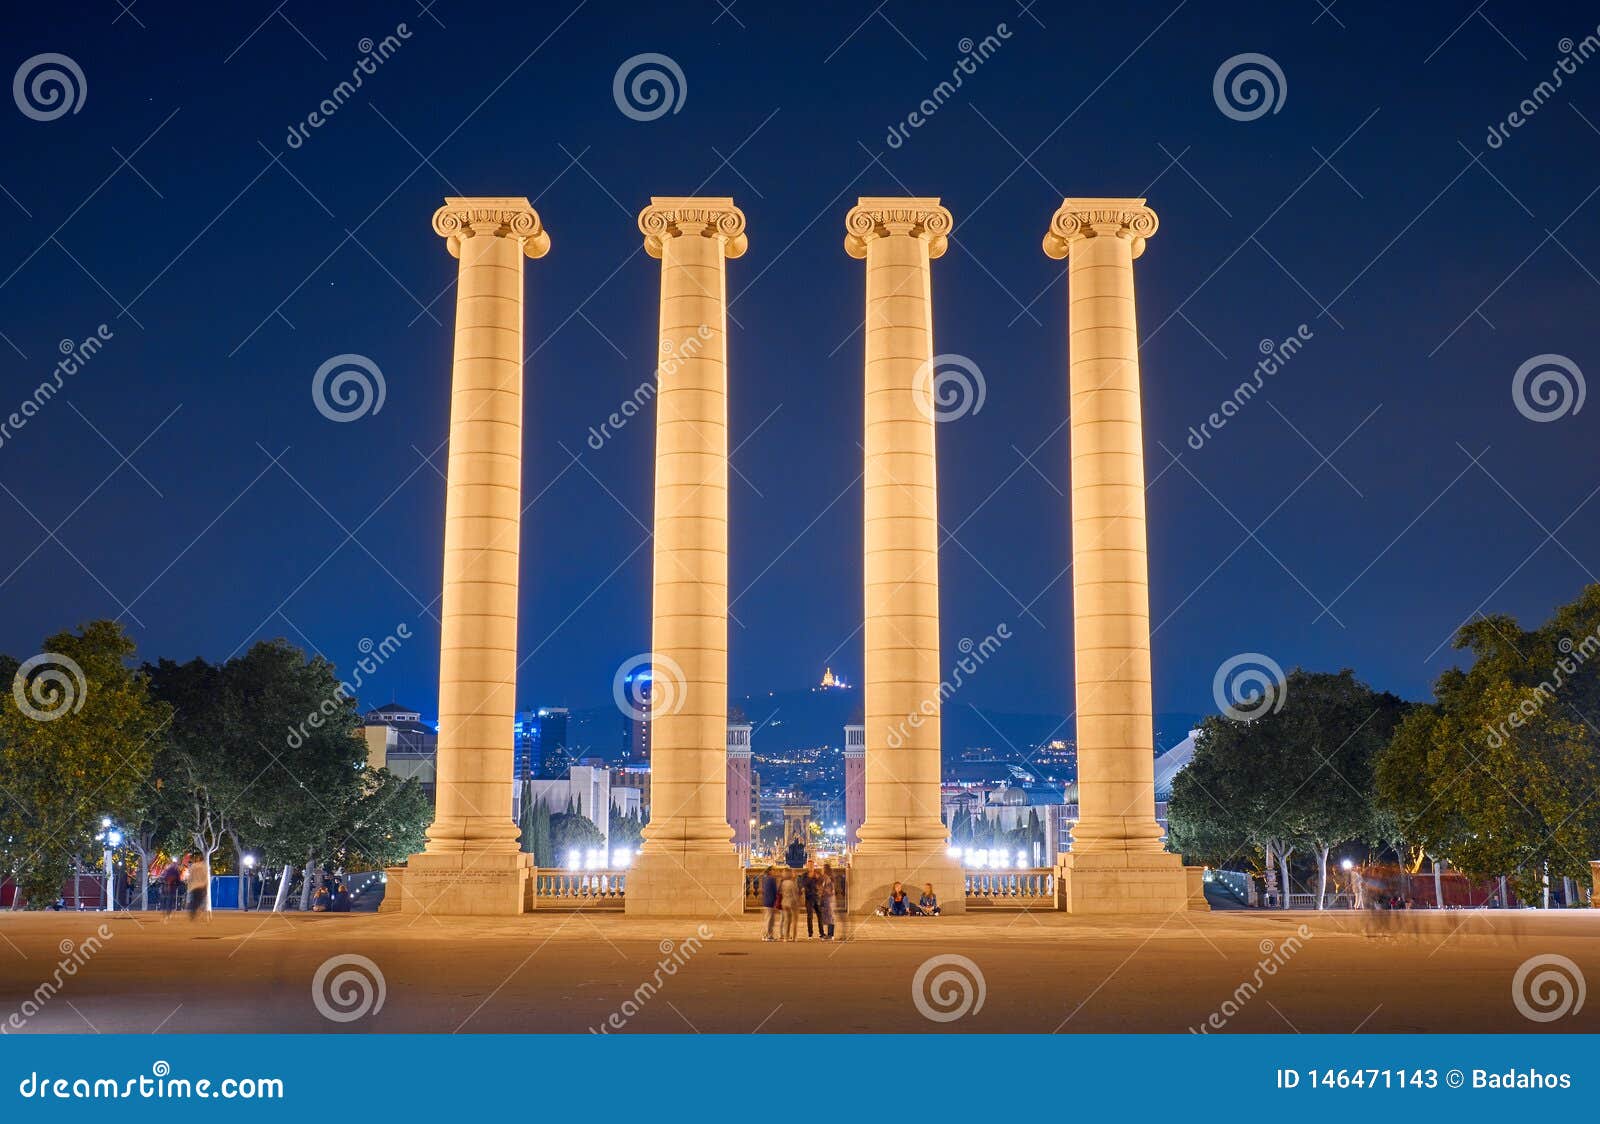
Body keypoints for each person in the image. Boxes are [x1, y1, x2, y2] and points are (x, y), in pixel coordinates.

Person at [802, 860, 822, 939]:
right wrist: (811, 878)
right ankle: (810, 934)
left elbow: (821, 884)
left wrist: (817, 879)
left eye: (812, 865)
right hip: (809, 898)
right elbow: (804, 884)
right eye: (809, 865)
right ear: (807, 866)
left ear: (814, 866)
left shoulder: (817, 874)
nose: (810, 867)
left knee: (820, 916)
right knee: (809, 916)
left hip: (816, 897)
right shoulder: (804, 875)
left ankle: (821, 933)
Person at [779, 867, 800, 941]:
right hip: (792, 903)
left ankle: (786, 937)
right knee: (795, 921)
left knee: (786, 921)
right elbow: (795, 894)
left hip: (784, 902)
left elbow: (781, 892)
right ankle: (794, 937)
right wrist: (797, 903)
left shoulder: (783, 882)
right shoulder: (792, 883)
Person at [759, 866, 780, 941]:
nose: (775, 872)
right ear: (770, 871)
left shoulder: (764, 879)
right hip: (770, 902)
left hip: (766, 901)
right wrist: (776, 901)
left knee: (767, 919)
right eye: (774, 870)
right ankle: (768, 935)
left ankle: (766, 935)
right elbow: (775, 892)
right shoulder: (772, 879)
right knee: (770, 920)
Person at [185, 855, 209, 919]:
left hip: (194, 886)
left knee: (195, 899)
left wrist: (189, 886)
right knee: (200, 900)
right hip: (201, 886)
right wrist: (206, 886)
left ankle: (192, 911)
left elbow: (190, 877)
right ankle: (194, 911)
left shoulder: (193, 866)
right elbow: (206, 877)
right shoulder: (204, 866)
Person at [818, 863, 837, 940]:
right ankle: (829, 934)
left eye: (822, 869)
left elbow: (830, 891)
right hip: (828, 900)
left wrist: (822, 890)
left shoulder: (828, 879)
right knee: (829, 917)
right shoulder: (827, 878)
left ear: (825, 870)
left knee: (830, 917)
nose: (821, 870)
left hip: (828, 900)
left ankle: (830, 935)